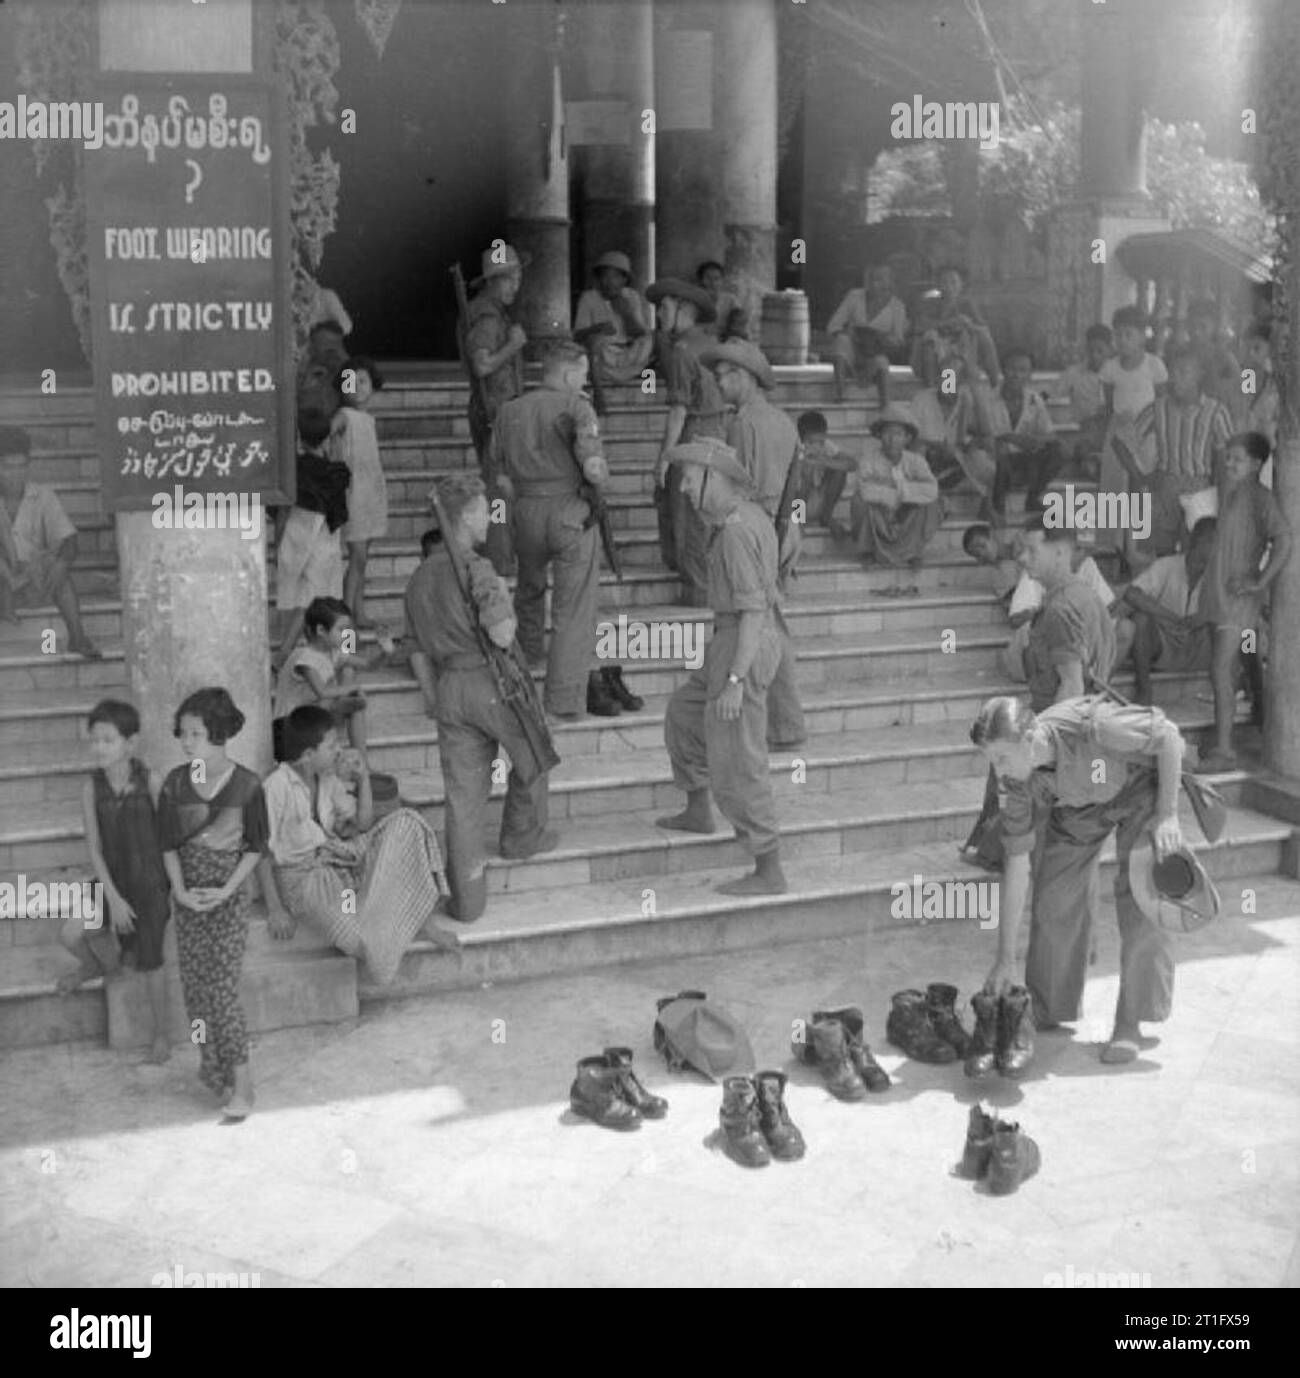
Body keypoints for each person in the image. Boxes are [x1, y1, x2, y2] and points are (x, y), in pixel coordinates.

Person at [972, 693, 1189, 1064]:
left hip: (1139, 793)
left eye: (1002, 757)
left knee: (1143, 900)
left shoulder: (1097, 726)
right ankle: (1047, 1004)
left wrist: (1168, 815)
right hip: (1079, 808)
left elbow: (1169, 736)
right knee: (1054, 897)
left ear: (1031, 739)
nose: (998, 770)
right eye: (991, 760)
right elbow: (1018, 864)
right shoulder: (1015, 782)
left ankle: (1130, 1022)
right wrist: (1004, 959)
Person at [405, 475, 557, 922]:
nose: (491, 517)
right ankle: (519, 839)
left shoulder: (418, 579)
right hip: (493, 682)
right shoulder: (476, 568)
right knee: (533, 757)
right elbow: (502, 632)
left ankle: (468, 902)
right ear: (466, 516)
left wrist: (435, 698)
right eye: (484, 509)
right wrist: (497, 606)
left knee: (463, 800)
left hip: (451, 689)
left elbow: (415, 648)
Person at [657, 439, 786, 896]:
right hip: (734, 639)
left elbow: (752, 612)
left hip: (741, 645)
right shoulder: (750, 517)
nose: (686, 489)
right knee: (684, 713)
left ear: (715, 476)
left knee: (738, 761)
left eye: (691, 479)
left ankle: (768, 867)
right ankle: (697, 808)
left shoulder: (733, 532)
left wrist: (733, 680)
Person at [260, 705, 448, 984]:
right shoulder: (276, 786)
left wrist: (363, 779)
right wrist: (275, 908)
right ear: (308, 755)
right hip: (303, 881)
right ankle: (406, 926)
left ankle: (412, 917)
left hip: (338, 859)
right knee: (352, 934)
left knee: (407, 822)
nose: (338, 750)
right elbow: (260, 850)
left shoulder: (326, 778)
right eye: (331, 745)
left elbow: (362, 824)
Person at [489, 338, 616, 720]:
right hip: (568, 514)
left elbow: (499, 476)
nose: (585, 381)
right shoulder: (577, 407)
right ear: (566, 372)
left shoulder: (509, 410)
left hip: (524, 514)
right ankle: (563, 701)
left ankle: (521, 678)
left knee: (528, 593)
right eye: (582, 373)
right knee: (572, 610)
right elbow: (592, 466)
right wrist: (602, 478)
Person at [157, 688, 269, 1120]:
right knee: (195, 990)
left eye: (196, 734)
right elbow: (167, 844)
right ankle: (212, 1067)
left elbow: (256, 847)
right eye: (183, 734)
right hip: (187, 898)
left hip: (227, 899)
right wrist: (180, 891)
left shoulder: (247, 785)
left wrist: (226, 890)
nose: (187, 743)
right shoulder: (174, 783)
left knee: (222, 991)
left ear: (220, 734)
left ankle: (244, 1083)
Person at [702, 338, 806, 749]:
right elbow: (798, 484)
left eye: (725, 376)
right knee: (769, 623)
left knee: (761, 625)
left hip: (753, 527)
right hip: (779, 527)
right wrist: (793, 527)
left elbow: (736, 486)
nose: (720, 384)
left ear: (744, 377)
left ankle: (784, 726)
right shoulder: (783, 420)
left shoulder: (742, 423)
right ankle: (785, 726)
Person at [57, 700, 171, 1064]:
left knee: (150, 962)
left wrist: (174, 891)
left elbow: (170, 840)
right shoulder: (90, 789)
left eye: (108, 740)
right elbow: (94, 849)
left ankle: (161, 1034)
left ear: (130, 743)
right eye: (94, 741)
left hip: (150, 884)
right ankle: (93, 964)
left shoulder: (151, 781)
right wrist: (114, 898)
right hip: (111, 882)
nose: (99, 748)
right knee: (70, 933)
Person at [1195, 431, 1292, 771]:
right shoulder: (1234, 490)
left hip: (1238, 597)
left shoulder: (1260, 498)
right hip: (1219, 591)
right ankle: (1250, 722)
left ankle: (1224, 750)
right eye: (1229, 457)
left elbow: (1283, 542)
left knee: (1220, 669)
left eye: (1237, 458)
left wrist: (1259, 582)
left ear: (1255, 464)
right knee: (1234, 665)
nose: (1229, 462)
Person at [647, 276, 725, 605]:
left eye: (664, 307)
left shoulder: (681, 350)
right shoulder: (712, 342)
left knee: (689, 517)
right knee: (706, 515)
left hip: (692, 435)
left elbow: (679, 410)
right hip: (717, 433)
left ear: (685, 309)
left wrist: (664, 458)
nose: (659, 314)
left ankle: (698, 597)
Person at [1120, 346, 1233, 569]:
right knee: (1164, 553)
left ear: (1199, 373)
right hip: (1166, 487)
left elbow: (1226, 461)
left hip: (1200, 488)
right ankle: (1167, 598)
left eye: (1183, 372)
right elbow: (1121, 441)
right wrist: (1142, 477)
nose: (1175, 379)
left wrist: (1225, 498)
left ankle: (1190, 600)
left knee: (1198, 551)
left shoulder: (1216, 411)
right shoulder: (1158, 408)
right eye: (1172, 373)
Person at [0, 424, 101, 658]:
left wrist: (61, 564)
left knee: (59, 568)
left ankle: (77, 638)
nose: (15, 474)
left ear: (28, 466)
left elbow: (69, 540)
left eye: (21, 466)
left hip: (30, 581)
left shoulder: (43, 495)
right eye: (7, 467)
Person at [465, 243, 529, 576]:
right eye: (507, 279)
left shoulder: (491, 312)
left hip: (499, 411)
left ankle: (501, 554)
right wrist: (514, 346)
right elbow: (483, 365)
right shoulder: (488, 316)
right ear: (492, 282)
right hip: (495, 413)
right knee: (499, 490)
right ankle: (500, 558)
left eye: (517, 278)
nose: (514, 286)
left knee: (500, 487)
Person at [1112, 517, 1216, 705]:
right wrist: (1170, 618)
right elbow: (1132, 594)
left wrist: (1200, 619)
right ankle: (1144, 689)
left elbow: (1233, 607)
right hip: (1166, 645)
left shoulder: (1220, 574)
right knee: (1140, 619)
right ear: (1196, 541)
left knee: (1247, 632)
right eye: (1210, 540)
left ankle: (1247, 686)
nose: (1215, 547)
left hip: (1199, 647)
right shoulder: (1167, 565)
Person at [275, 409, 350, 666]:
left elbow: (283, 511)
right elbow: (341, 511)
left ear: (299, 438)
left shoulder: (292, 471)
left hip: (298, 538)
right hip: (325, 541)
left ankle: (287, 654)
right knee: (317, 600)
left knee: (304, 600)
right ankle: (330, 654)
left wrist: (278, 541)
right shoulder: (337, 473)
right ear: (326, 438)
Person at [846, 402, 941, 571]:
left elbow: (931, 489)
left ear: (907, 438)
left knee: (932, 505)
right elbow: (865, 490)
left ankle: (912, 552)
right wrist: (898, 494)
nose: (892, 438)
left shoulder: (916, 461)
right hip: (881, 514)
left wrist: (899, 491)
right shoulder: (868, 460)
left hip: (907, 513)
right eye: (887, 433)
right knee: (859, 502)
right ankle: (868, 551)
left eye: (898, 434)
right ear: (879, 435)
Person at [273, 596, 371, 757]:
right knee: (348, 690)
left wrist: (385, 652)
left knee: (356, 703)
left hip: (311, 715)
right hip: (289, 726)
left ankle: (364, 765)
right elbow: (322, 692)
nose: (347, 634)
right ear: (320, 631)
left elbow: (368, 665)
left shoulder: (332, 652)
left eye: (348, 631)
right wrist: (354, 687)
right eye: (342, 630)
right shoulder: (304, 657)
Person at [330, 355, 387, 629]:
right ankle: (347, 613)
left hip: (370, 491)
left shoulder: (367, 419)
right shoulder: (345, 416)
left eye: (363, 381)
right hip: (352, 492)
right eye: (351, 382)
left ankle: (358, 610)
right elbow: (328, 434)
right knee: (358, 556)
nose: (358, 387)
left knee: (362, 560)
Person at [909, 332, 998, 504]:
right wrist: (935, 446)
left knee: (983, 460)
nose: (949, 383)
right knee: (918, 452)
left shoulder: (967, 399)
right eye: (946, 377)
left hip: (956, 459)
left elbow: (988, 437)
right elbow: (910, 438)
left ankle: (988, 505)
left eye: (954, 378)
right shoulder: (921, 399)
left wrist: (975, 390)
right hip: (928, 459)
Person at [985, 349, 1066, 516]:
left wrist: (1033, 439)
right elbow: (977, 435)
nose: (1016, 375)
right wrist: (1010, 437)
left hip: (1023, 458)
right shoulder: (987, 399)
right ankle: (996, 505)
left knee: (1059, 450)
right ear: (1002, 371)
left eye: (1022, 371)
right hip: (995, 459)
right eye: (1011, 369)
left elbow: (1050, 434)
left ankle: (1033, 498)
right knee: (999, 455)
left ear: (1030, 375)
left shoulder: (1034, 400)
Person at [826, 263, 909, 406]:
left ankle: (885, 406)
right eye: (873, 278)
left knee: (882, 363)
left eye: (881, 279)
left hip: (874, 354)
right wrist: (850, 333)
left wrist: (879, 338)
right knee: (841, 341)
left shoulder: (897, 306)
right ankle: (839, 393)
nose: (876, 283)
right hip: (851, 354)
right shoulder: (854, 296)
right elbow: (833, 326)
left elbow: (899, 341)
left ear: (890, 282)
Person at [572, 251, 655, 387]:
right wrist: (597, 328)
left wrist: (627, 314)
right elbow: (577, 335)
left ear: (624, 280)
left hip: (629, 356)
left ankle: (648, 387)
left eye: (616, 276)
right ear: (599, 279)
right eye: (605, 276)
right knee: (595, 341)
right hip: (603, 359)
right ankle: (598, 392)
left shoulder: (631, 296)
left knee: (652, 339)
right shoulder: (589, 298)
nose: (610, 282)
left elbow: (640, 333)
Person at [912, 264, 1000, 389]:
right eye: (944, 282)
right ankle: (933, 391)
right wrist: (948, 322)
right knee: (930, 340)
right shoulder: (930, 303)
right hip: (936, 351)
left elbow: (983, 329)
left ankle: (995, 385)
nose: (949, 287)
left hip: (962, 349)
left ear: (961, 285)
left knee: (983, 338)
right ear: (938, 285)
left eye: (953, 282)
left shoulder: (967, 304)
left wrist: (968, 324)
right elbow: (920, 326)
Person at [1053, 324, 1113, 480]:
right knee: (1079, 453)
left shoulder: (1119, 373)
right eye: (1091, 350)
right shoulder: (1073, 373)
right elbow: (1050, 393)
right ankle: (1092, 464)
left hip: (1112, 431)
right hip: (1086, 431)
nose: (1094, 355)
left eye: (1100, 350)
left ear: (1110, 349)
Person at [1181, 297, 1241, 421]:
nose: (1196, 332)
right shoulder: (1179, 355)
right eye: (1192, 326)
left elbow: (1244, 392)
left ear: (1213, 326)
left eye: (1203, 327)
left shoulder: (1226, 358)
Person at [795, 410, 856, 530]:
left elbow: (853, 465)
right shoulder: (796, 448)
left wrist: (824, 461)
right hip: (796, 504)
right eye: (811, 442)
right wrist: (807, 463)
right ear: (800, 439)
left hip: (821, 500)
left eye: (820, 442)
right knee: (806, 472)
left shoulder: (826, 447)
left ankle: (826, 516)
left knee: (839, 470)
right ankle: (798, 521)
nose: (816, 447)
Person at [1241, 321, 1279, 486]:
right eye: (1247, 348)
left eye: (1257, 348)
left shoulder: (1278, 379)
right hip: (1251, 446)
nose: (1251, 354)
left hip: (1274, 448)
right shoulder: (1248, 374)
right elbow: (1246, 406)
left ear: (1271, 350)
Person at [296, 319, 348, 421]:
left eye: (336, 345)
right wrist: (307, 385)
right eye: (326, 345)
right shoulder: (300, 374)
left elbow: (353, 405)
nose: (334, 352)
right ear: (312, 348)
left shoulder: (348, 372)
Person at [696, 259, 749, 341]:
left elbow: (739, 319)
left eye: (717, 278)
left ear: (722, 280)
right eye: (708, 278)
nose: (712, 283)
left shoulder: (730, 299)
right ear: (701, 280)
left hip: (726, 341)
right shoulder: (694, 299)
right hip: (701, 339)